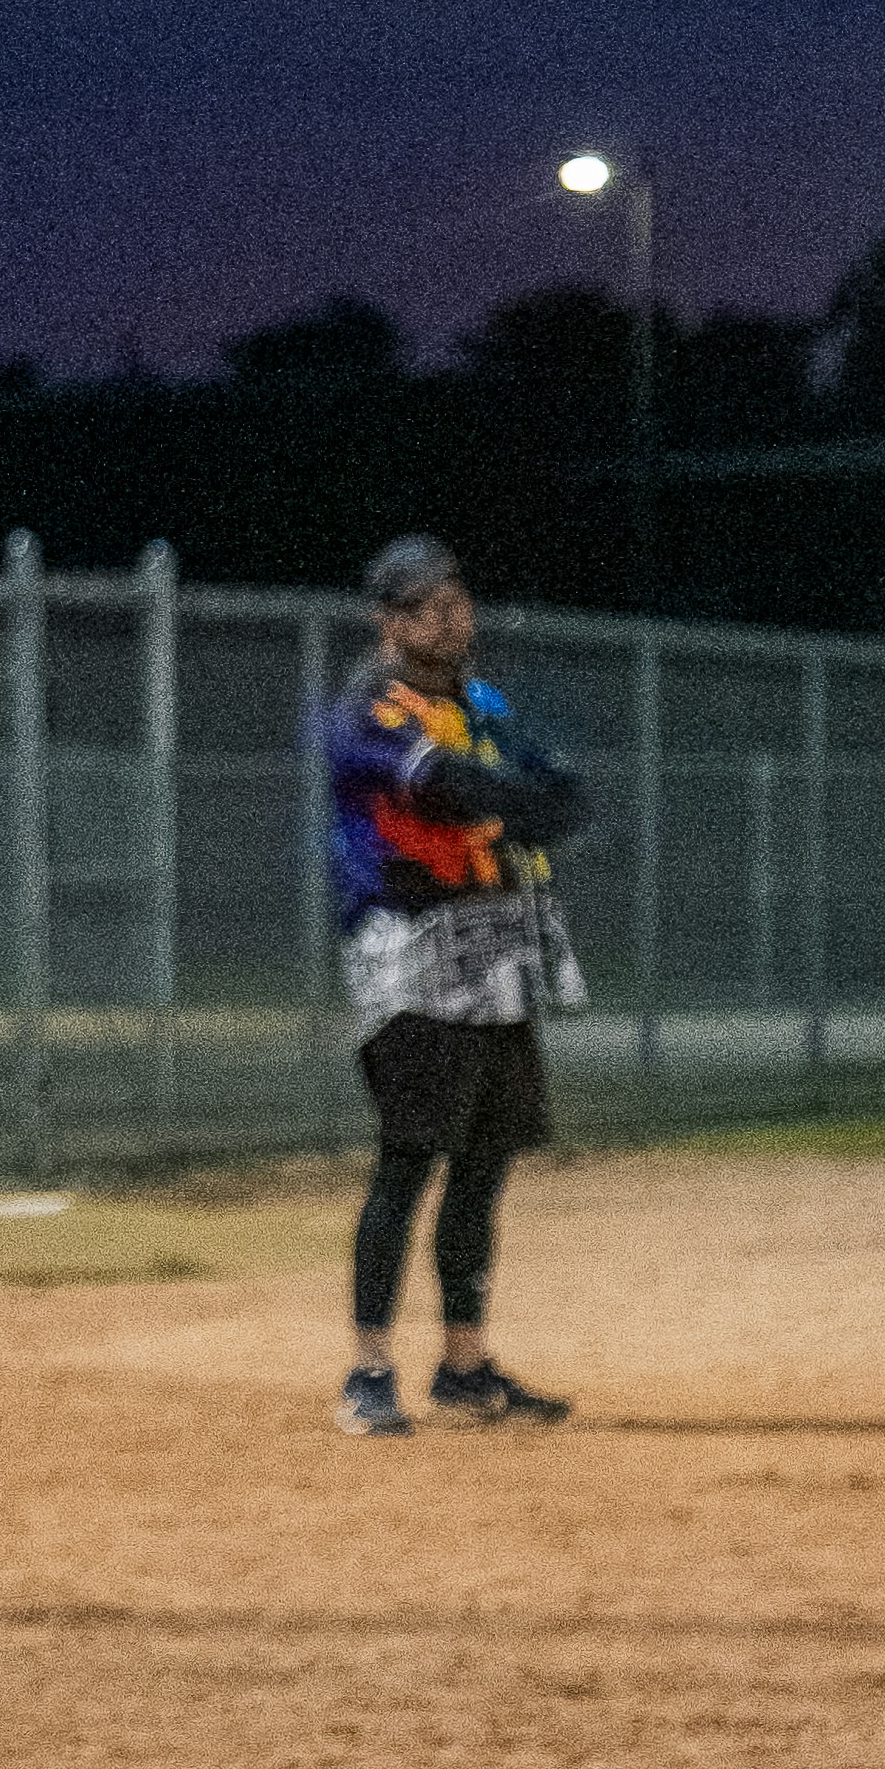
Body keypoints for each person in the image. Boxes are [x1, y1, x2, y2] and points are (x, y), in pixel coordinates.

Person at [321, 534, 586, 1439]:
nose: (446, 615)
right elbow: (443, 789)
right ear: (387, 621)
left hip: (496, 952)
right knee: (408, 1161)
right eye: (423, 604)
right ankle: (366, 1370)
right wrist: (514, 795)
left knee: (483, 1164)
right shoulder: (367, 706)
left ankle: (465, 1368)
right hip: (409, 954)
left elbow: (563, 791)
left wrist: (514, 794)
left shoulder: (482, 699)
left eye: (453, 599)